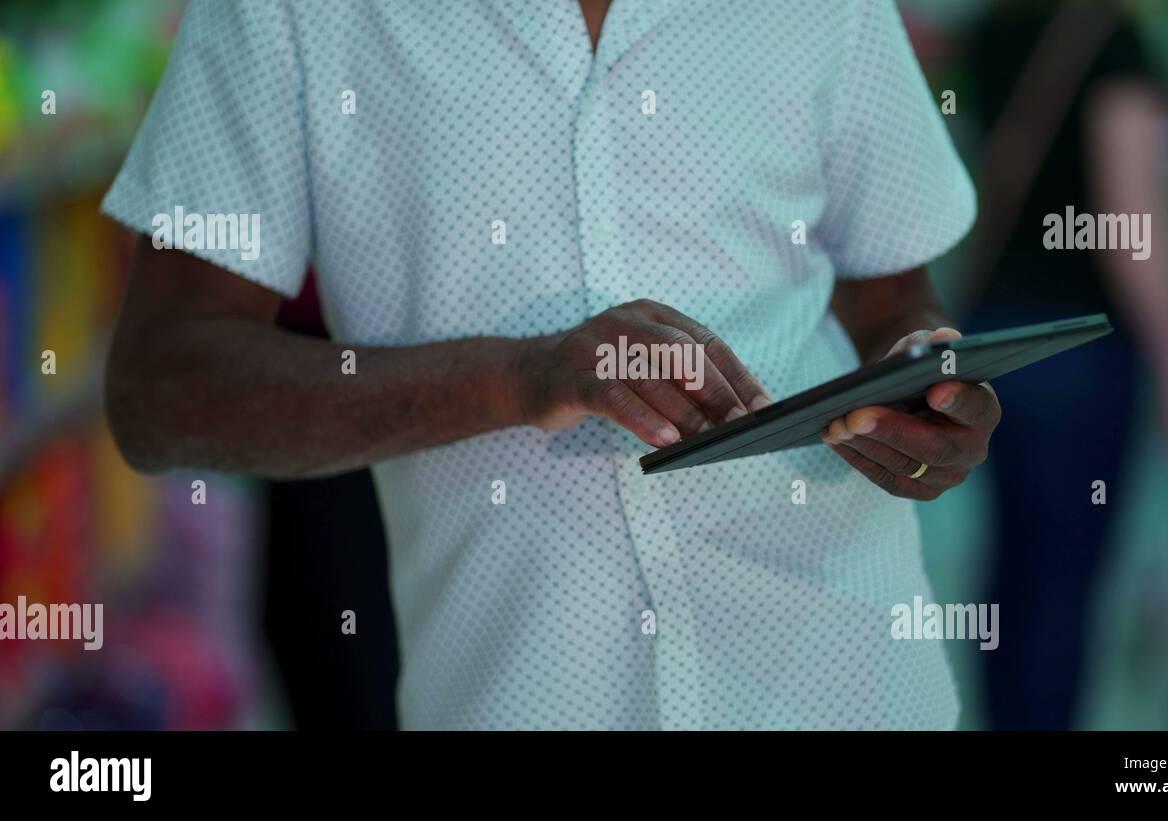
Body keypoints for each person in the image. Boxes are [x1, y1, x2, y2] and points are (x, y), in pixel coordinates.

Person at [102, 0, 996, 729]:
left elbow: (890, 293)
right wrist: (521, 378)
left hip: (847, 683)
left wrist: (923, 388)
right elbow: (162, 385)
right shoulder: (291, 15)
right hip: (523, 696)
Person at [962, 0, 1168, 729]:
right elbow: (1129, 222)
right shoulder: (1113, 41)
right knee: (1064, 588)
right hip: (1078, 350)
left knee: (1011, 575)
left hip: (995, 344)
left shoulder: (994, 28)